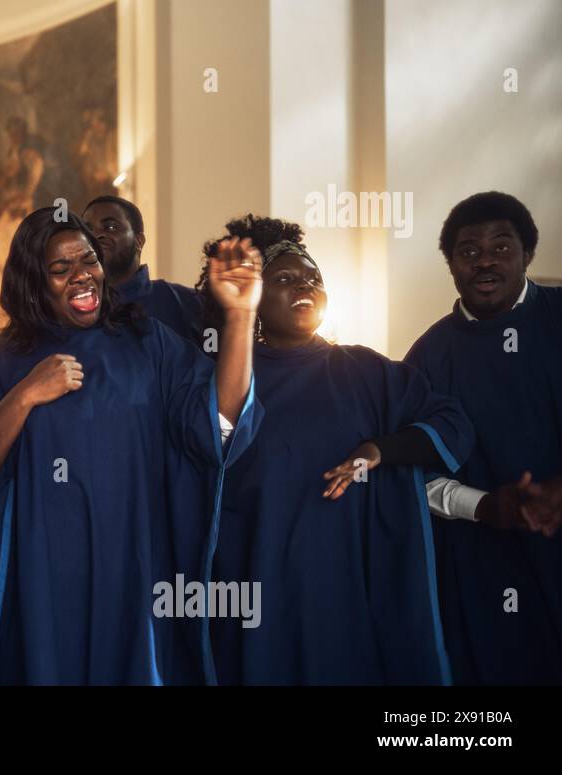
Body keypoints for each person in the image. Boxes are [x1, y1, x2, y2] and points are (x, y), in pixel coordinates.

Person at [0, 206, 263, 684]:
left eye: (88, 261)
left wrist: (241, 317)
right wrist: (25, 395)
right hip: (38, 572)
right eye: (60, 270)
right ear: (32, 282)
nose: (82, 277)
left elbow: (219, 425)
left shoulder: (148, 343)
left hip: (135, 561)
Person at [194, 220, 472, 684]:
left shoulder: (367, 371)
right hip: (254, 576)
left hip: (346, 579)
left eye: (313, 279)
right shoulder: (227, 376)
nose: (304, 286)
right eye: (284, 279)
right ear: (253, 297)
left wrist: (380, 449)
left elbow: (453, 424)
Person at [405, 191, 562, 685]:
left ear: (527, 254)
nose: (485, 261)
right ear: (451, 265)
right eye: (468, 251)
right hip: (480, 565)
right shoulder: (428, 358)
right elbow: (412, 472)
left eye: (501, 246)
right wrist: (482, 506)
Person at [83, 196, 203, 345]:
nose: (96, 235)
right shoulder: (69, 309)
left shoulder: (185, 303)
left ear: (139, 241)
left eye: (111, 227)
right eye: (88, 230)